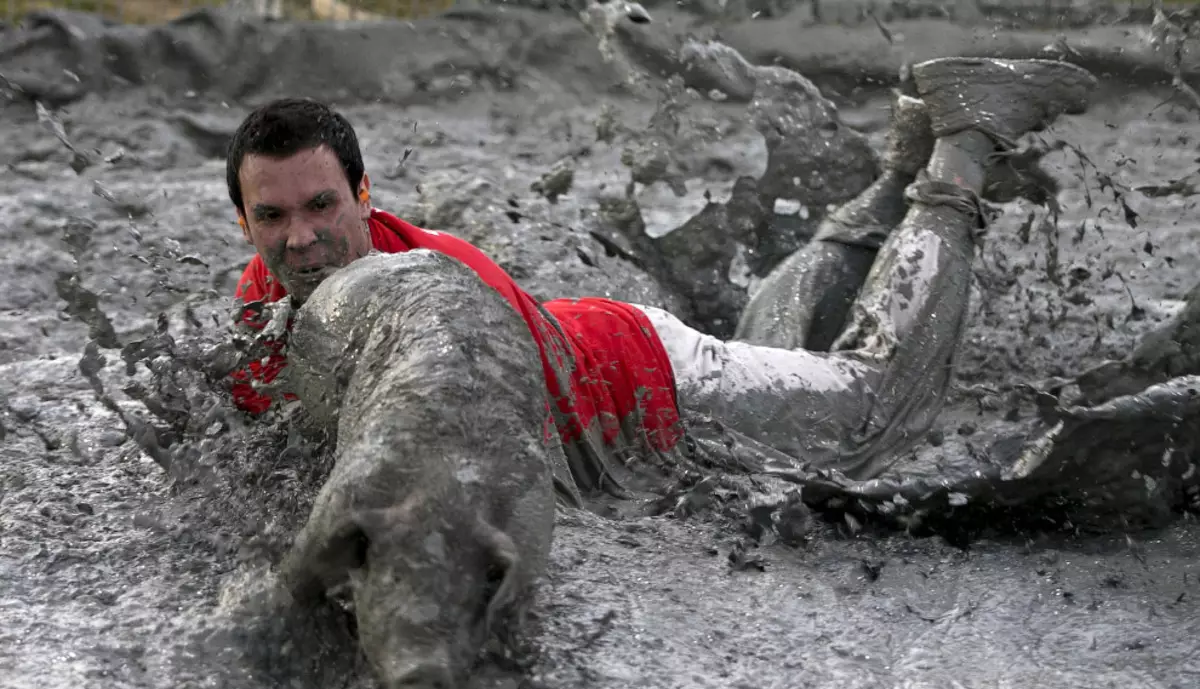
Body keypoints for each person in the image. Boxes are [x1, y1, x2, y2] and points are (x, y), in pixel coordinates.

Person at [227, 56, 1098, 492]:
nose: (300, 239)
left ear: (364, 193)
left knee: (866, 406)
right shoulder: (258, 301)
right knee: (776, 350)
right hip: (606, 346)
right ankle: (897, 165)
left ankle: (964, 144)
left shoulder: (437, 283)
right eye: (273, 216)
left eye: (321, 208)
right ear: (244, 221)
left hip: (655, 381)